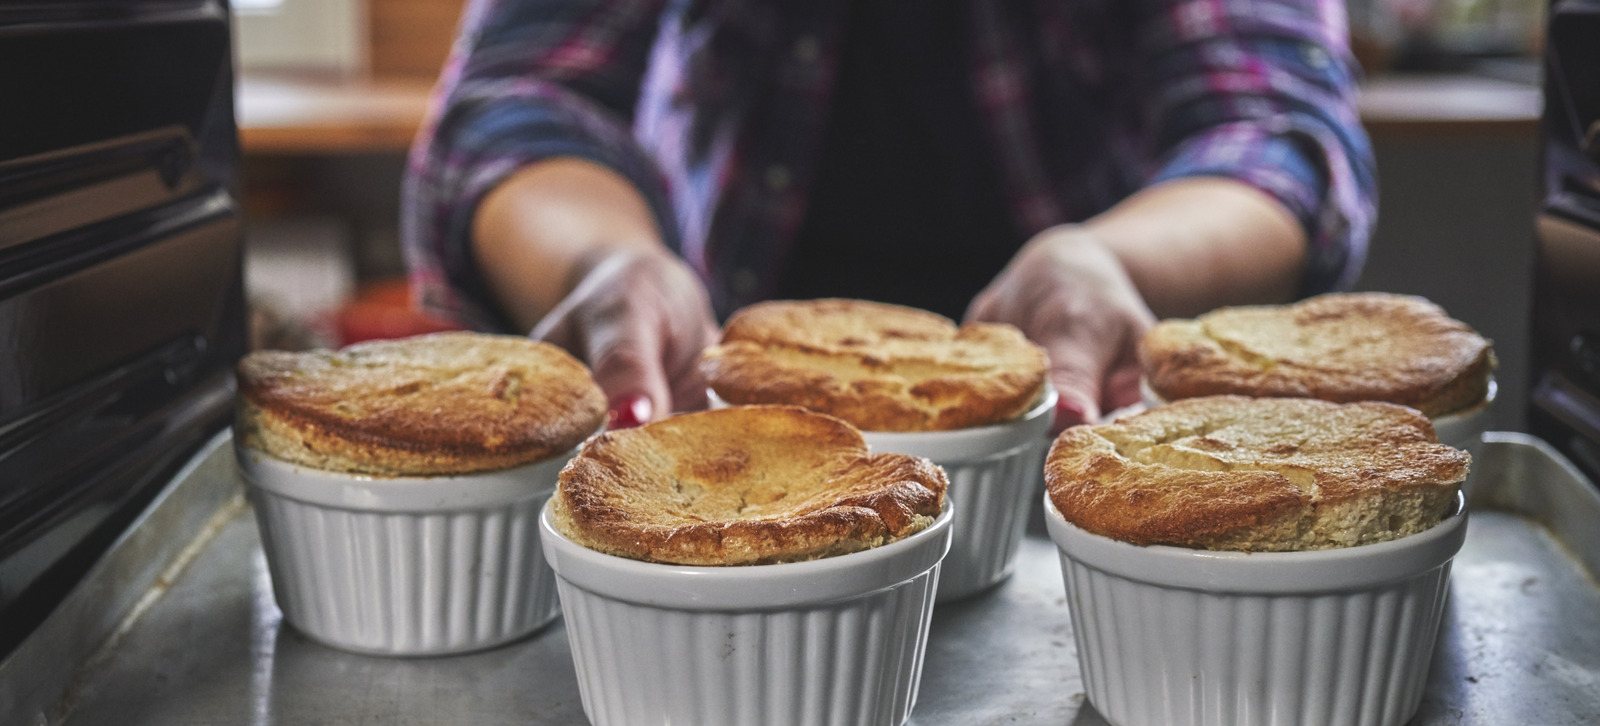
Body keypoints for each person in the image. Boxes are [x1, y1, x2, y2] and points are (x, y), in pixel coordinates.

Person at [402, 0, 1376, 430]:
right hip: (721, 395)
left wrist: (1105, 263)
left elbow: (1275, 132)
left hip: (1086, 401)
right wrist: (606, 263)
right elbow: (520, 104)